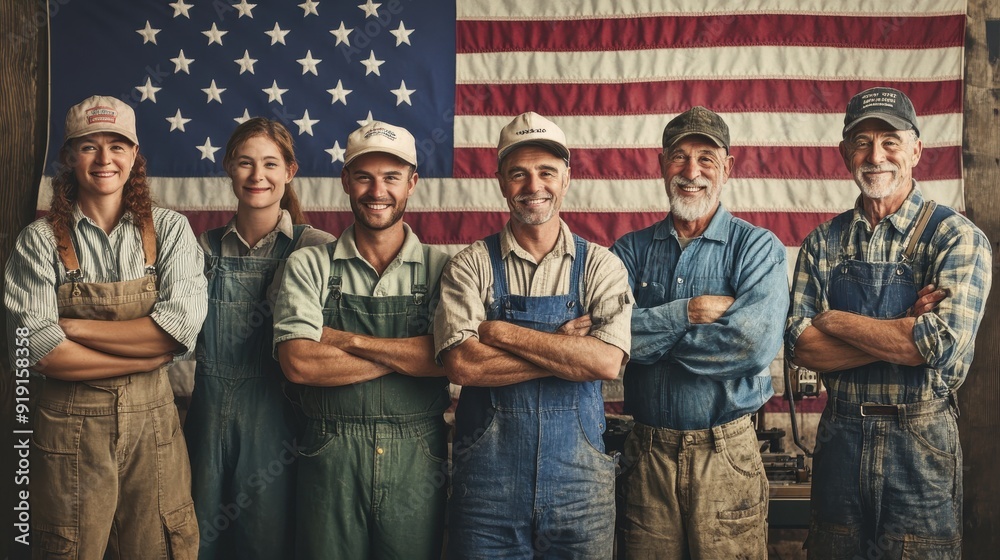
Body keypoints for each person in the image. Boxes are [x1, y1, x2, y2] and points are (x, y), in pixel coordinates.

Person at [786, 87, 992, 558]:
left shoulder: (957, 237)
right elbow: (802, 348)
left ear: (916, 149)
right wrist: (902, 328)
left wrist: (833, 319)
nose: (875, 155)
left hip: (920, 445)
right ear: (844, 153)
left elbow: (937, 346)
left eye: (890, 141)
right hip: (840, 439)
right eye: (861, 142)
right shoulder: (822, 241)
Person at [4, 95, 206, 558]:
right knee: (68, 547)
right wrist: (147, 354)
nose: (104, 159)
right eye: (89, 146)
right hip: (67, 427)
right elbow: (37, 350)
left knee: (159, 543)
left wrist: (72, 329)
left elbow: (177, 332)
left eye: (117, 145)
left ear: (134, 155)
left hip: (154, 427)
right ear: (69, 157)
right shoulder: (39, 241)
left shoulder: (171, 231)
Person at [435, 111, 633, 558]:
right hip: (486, 491)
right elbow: (462, 364)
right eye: (518, 174)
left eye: (546, 172)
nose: (533, 186)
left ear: (567, 179)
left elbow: (605, 363)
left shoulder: (602, 265)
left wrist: (499, 331)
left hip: (581, 490)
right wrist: (567, 350)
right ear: (501, 182)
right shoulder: (469, 265)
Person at [609, 106, 788, 559]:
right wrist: (688, 313)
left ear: (728, 167)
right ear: (660, 164)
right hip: (645, 452)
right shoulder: (628, 251)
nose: (691, 172)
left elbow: (751, 347)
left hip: (726, 452)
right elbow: (605, 335)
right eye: (679, 157)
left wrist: (646, 338)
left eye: (706, 158)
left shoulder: (757, 248)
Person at [272, 121, 450, 560]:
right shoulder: (308, 265)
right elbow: (299, 364)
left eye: (391, 177)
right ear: (346, 182)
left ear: (412, 183)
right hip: (329, 451)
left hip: (418, 456)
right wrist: (412, 353)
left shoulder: (443, 268)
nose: (378, 190)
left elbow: (451, 360)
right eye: (365, 176)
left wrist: (343, 340)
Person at [183, 118, 335, 559]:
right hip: (205, 424)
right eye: (245, 163)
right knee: (198, 540)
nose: (257, 176)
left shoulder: (316, 247)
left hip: (281, 428)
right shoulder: (200, 248)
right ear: (228, 167)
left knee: (269, 542)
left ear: (290, 172)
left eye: (270, 164)